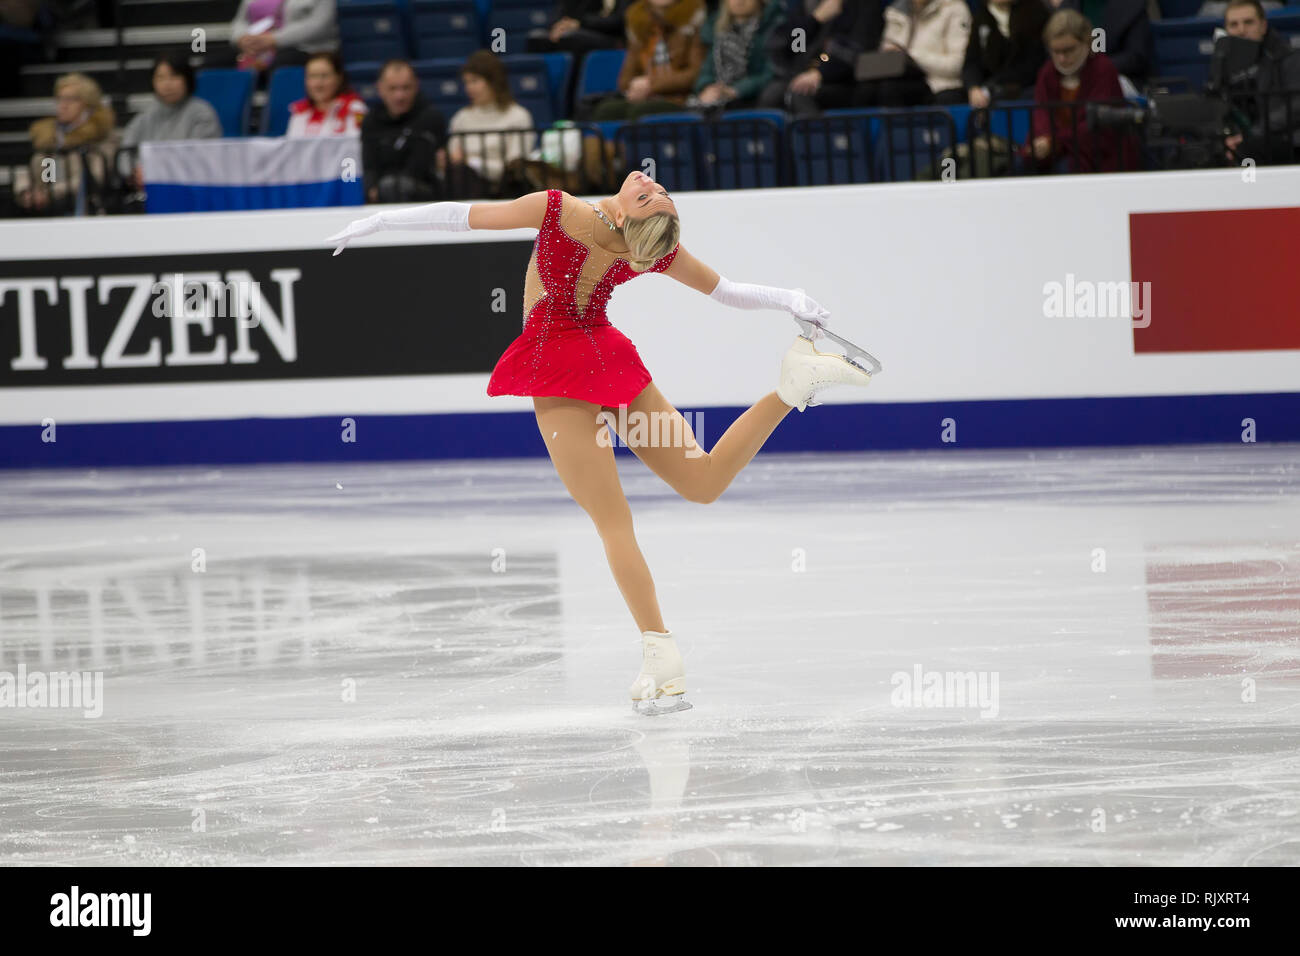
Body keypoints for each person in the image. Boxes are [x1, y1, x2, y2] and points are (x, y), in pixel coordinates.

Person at [324, 173, 875, 713]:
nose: (652, 185)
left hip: (558, 369)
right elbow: (726, 291)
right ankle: (791, 388)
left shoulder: (560, 210)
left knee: (614, 520)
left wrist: (380, 219)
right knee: (701, 482)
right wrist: (792, 299)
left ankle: (661, 654)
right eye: (655, 189)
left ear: (633, 216)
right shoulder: (644, 251)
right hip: (607, 361)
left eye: (654, 195)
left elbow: (460, 217)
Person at [1031, 8, 1136, 172]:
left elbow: (1099, 126)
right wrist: (1044, 140)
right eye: (1056, 51)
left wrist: (1056, 142)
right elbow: (1041, 116)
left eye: (1068, 50)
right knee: (1022, 165)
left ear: (1086, 42)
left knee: (1066, 169)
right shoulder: (1047, 73)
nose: (1061, 58)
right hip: (1056, 151)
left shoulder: (1103, 70)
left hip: (1097, 156)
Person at [1208, 0, 1300, 164]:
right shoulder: (1221, 65)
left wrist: (1253, 133)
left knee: (1248, 149)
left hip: (1287, 139)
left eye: (1248, 22)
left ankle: (1249, 187)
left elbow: (1295, 107)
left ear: (1263, 26)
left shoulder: (1290, 58)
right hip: (1245, 138)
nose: (1241, 30)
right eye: (1234, 25)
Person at [13, 71, 116, 213]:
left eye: (71, 99)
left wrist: (53, 193)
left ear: (87, 104)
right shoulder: (49, 137)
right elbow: (35, 171)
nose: (63, 105)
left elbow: (95, 176)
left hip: (86, 210)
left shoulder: (100, 136)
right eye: (60, 99)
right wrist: (26, 191)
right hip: (46, 209)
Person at [757, 0, 884, 115]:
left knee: (801, 94)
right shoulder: (801, 6)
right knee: (772, 94)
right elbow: (794, 48)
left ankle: (815, 140)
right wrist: (814, 20)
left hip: (845, 80)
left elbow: (858, 48)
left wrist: (820, 73)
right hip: (802, 74)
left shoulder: (862, 5)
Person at [120, 53, 222, 193]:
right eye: (160, 78)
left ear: (187, 78)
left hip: (191, 190)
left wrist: (156, 172)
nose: (167, 84)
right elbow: (126, 153)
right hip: (147, 189)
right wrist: (134, 172)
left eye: (174, 76)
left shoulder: (202, 113)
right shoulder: (145, 116)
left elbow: (201, 158)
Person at [589, 0, 707, 119]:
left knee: (642, 112)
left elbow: (696, 73)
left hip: (681, 98)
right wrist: (635, 87)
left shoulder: (694, 19)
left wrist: (652, 85)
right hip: (646, 97)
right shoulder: (637, 21)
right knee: (607, 110)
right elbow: (625, 79)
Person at [444, 51, 536, 198]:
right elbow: (454, 159)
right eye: (466, 82)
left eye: (474, 81)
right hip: (467, 184)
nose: (469, 88)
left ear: (494, 82)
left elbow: (514, 168)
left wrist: (473, 162)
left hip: (505, 189)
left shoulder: (518, 116)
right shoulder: (461, 117)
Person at [361, 59, 450, 203]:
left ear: (416, 86)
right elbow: (369, 163)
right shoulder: (371, 121)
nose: (400, 96)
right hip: (381, 193)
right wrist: (371, 187)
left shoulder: (431, 117)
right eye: (392, 88)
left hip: (424, 192)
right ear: (380, 88)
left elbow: (422, 167)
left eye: (406, 88)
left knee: (393, 186)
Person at [857, 0, 971, 107]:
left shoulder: (954, 9)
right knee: (867, 89)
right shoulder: (896, 11)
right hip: (901, 81)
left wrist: (909, 56)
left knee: (892, 89)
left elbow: (957, 65)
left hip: (938, 85)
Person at [691, 0, 785, 111]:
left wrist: (736, 90)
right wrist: (708, 87)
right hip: (718, 95)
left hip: (753, 97)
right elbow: (706, 70)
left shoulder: (774, 28)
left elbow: (772, 71)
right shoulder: (717, 31)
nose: (739, 1)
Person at [207, 0, 339, 75]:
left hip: (303, 49)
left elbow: (319, 25)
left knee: (282, 61)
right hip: (256, 47)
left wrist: (273, 39)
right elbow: (240, 21)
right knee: (211, 64)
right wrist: (242, 38)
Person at [962, 0, 1049, 107]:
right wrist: (973, 87)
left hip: (1027, 90)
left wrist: (990, 88)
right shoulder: (982, 17)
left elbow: (1033, 63)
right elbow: (972, 61)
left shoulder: (1036, 12)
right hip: (990, 91)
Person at [1047, 0, 1149, 88]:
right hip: (1072, 78)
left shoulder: (1132, 5)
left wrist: (1093, 68)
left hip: (1122, 79)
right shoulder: (1068, 6)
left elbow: (1136, 57)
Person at [286, 52, 367, 137]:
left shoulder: (355, 109)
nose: (318, 84)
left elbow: (358, 146)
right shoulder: (299, 112)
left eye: (325, 76)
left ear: (339, 78)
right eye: (312, 76)